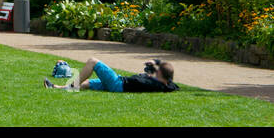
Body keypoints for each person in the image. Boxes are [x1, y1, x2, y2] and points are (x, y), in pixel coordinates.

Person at [46, 57, 178, 93]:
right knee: (87, 84)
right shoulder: (168, 84)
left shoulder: (152, 83)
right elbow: (169, 76)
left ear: (160, 73)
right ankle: (56, 87)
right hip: (118, 84)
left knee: (93, 61)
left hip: (118, 83)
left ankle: (72, 86)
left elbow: (137, 80)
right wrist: (156, 62)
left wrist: (148, 74)